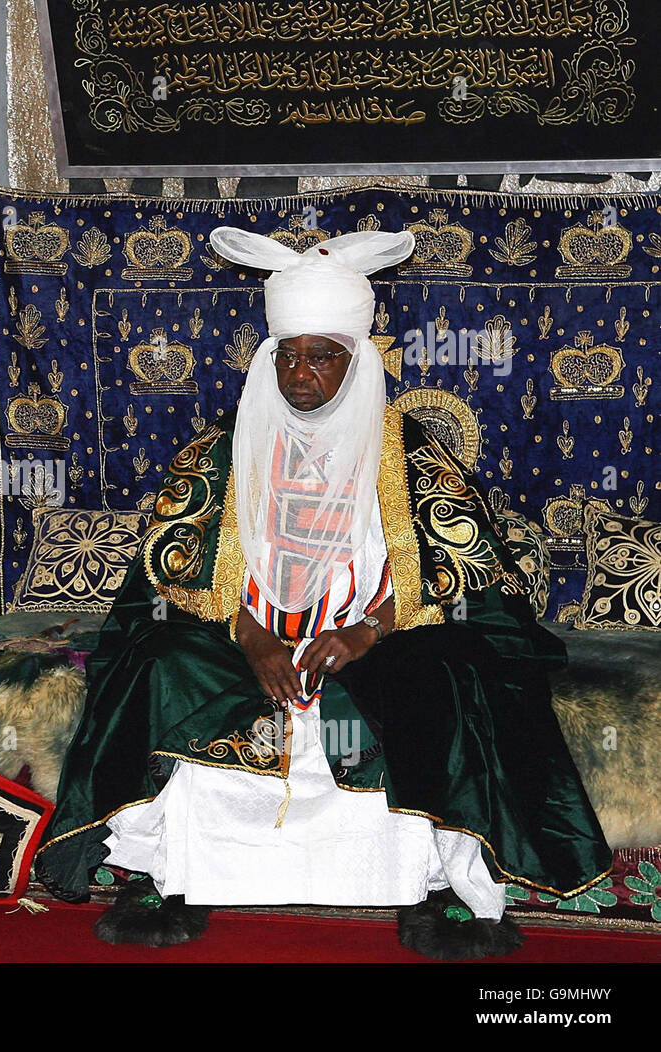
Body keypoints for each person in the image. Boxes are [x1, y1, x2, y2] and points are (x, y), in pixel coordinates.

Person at [34, 228, 612, 958]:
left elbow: (470, 574)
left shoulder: (406, 452)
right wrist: (252, 635)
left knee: (445, 674)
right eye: (289, 356)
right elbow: (172, 570)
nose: (302, 373)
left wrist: (368, 630)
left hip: (373, 634)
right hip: (249, 630)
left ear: (356, 361)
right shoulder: (222, 447)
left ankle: (440, 882)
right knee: (161, 662)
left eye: (322, 356)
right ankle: (162, 869)